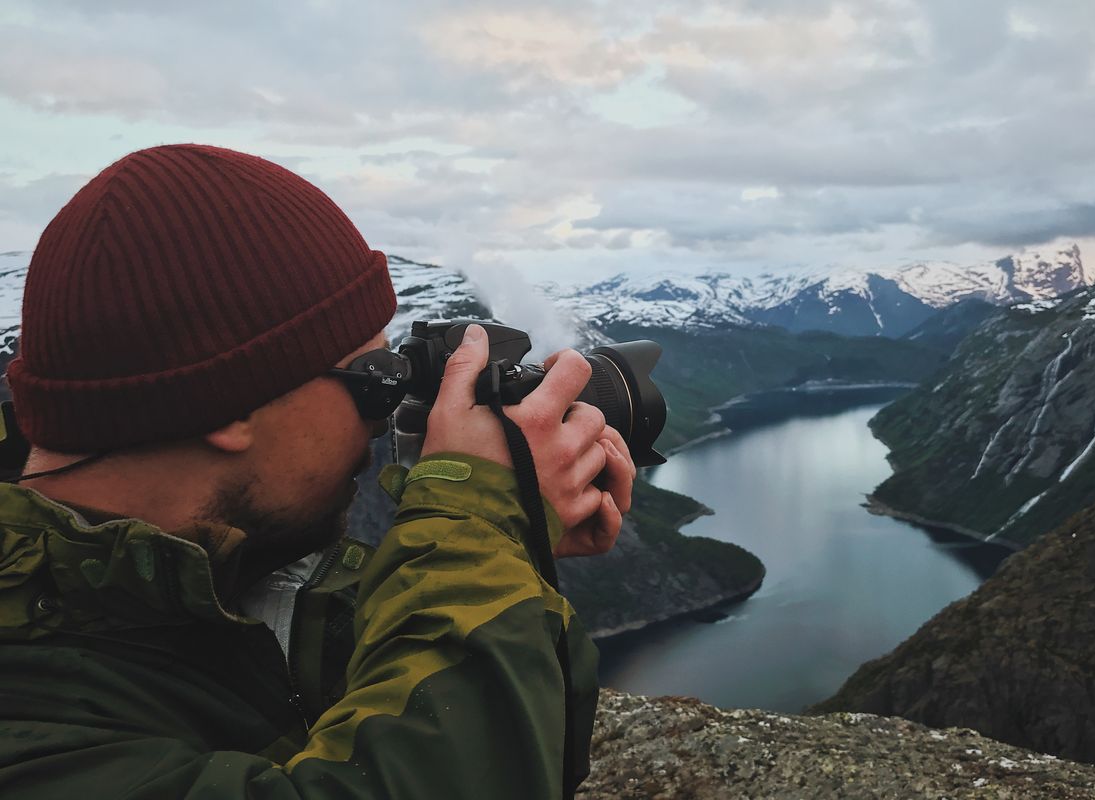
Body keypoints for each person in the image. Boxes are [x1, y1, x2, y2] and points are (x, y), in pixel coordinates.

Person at [0, 144, 635, 798]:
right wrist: (479, 521)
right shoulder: (27, 732)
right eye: (373, 380)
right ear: (233, 401)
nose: (378, 420)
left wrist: (505, 533)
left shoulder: (189, 579)